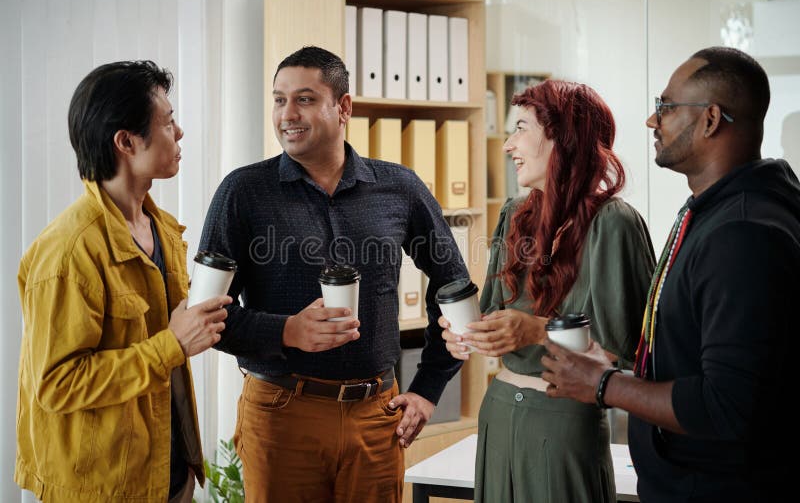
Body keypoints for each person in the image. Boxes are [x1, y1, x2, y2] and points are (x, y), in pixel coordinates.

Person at [198, 45, 468, 502]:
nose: (287, 114)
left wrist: (428, 387)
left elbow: (454, 286)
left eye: (304, 99)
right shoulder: (243, 192)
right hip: (282, 414)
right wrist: (288, 331)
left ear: (343, 107)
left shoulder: (399, 187)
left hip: (376, 417)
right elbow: (205, 319)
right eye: (279, 99)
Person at [541, 47, 798, 502]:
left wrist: (604, 385)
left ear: (711, 120)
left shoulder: (743, 232)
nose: (651, 121)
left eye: (665, 107)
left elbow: (726, 405)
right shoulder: (714, 210)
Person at [15, 61, 231, 502]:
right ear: (126, 142)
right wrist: (171, 345)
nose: (180, 133)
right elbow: (57, 384)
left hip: (168, 478)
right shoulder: (70, 251)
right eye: (168, 122)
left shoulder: (162, 230)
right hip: (102, 489)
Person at [440, 80, 655, 502]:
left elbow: (632, 350)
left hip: (563, 420)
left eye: (520, 127)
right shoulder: (513, 213)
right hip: (498, 409)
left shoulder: (614, 222)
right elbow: (493, 315)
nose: (508, 145)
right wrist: (467, 332)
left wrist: (538, 331)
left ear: (562, 136)